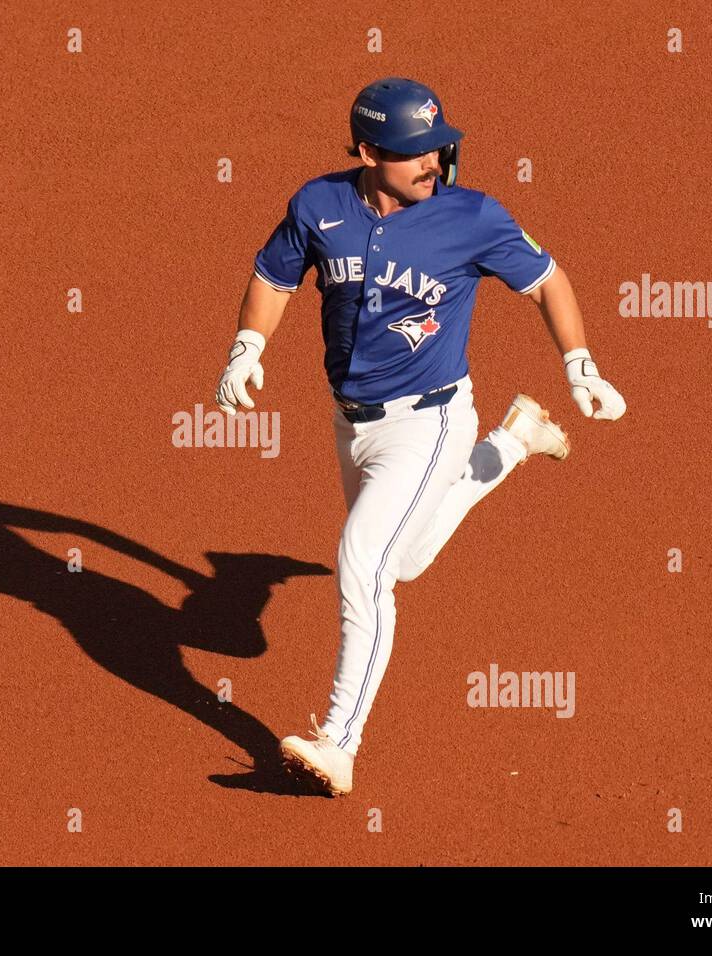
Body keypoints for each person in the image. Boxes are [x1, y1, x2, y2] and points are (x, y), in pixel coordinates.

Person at [213, 77, 626, 796]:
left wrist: (579, 363)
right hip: (351, 422)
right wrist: (247, 345)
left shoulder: (474, 218)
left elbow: (550, 282)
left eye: (439, 146)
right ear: (369, 152)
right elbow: (273, 279)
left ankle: (338, 742)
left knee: (362, 565)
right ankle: (510, 446)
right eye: (415, 154)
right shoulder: (318, 206)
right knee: (397, 568)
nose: (434, 163)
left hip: (431, 418)